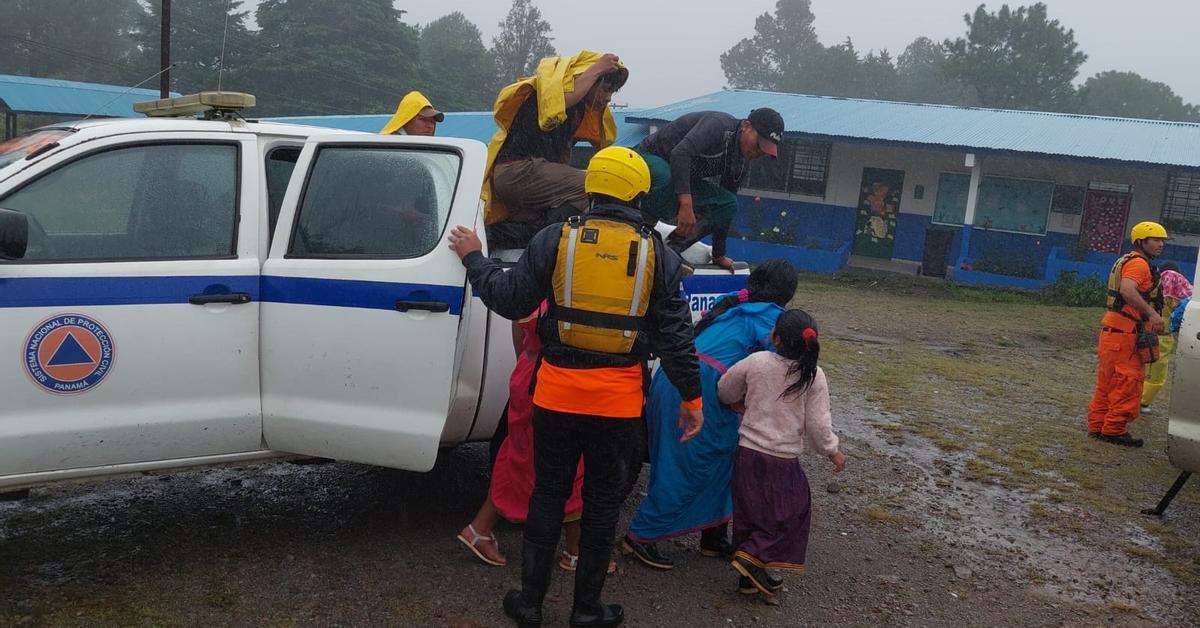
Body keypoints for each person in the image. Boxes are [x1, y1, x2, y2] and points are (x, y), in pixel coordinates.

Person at [447, 146, 703, 628]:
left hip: (556, 397)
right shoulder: (658, 254)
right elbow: (675, 336)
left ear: (591, 188)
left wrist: (474, 259)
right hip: (619, 405)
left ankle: (530, 604)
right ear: (640, 194)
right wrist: (692, 399)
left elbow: (507, 297)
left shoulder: (553, 239)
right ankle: (587, 610)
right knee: (602, 504)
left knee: (548, 495)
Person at [622, 259, 799, 570]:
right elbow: (779, 370)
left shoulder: (733, 304)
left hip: (676, 378)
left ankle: (713, 536)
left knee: (723, 461)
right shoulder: (771, 321)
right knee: (689, 467)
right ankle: (639, 536)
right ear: (788, 294)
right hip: (699, 389)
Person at [457, 302, 615, 575]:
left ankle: (480, 529)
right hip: (554, 381)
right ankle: (576, 551)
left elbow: (519, 327)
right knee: (572, 463)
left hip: (530, 372)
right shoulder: (574, 285)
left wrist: (529, 362)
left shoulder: (534, 279)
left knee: (522, 458)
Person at [716, 309, 846, 596]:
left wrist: (738, 405)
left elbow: (725, 390)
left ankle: (749, 578)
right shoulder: (813, 375)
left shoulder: (756, 362)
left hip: (747, 455)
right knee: (792, 514)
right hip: (782, 463)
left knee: (750, 514)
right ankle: (749, 557)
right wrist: (832, 450)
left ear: (775, 337)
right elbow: (818, 424)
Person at [483, 50, 628, 249]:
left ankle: (505, 239)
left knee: (556, 210)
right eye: (605, 89)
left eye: (612, 92)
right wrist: (596, 69)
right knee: (595, 186)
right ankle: (544, 242)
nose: (609, 98)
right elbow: (560, 100)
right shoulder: (547, 96)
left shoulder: (577, 111)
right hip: (518, 170)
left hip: (527, 176)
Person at [636, 108, 784, 270]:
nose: (759, 152)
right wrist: (686, 205)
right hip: (647, 160)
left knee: (727, 203)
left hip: (677, 181)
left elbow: (724, 207)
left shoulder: (739, 162)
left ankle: (670, 251)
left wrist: (718, 254)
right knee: (668, 179)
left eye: (765, 151)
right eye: (759, 144)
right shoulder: (719, 125)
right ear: (746, 126)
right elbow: (680, 154)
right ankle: (642, 226)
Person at [1087, 221, 1169, 447]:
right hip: (1126, 332)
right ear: (1141, 241)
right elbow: (1127, 290)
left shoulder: (1126, 260)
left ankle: (1098, 425)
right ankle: (1114, 430)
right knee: (1128, 381)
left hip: (1113, 330)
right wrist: (1152, 314)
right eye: (1156, 240)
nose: (1160, 245)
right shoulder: (1139, 265)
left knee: (1107, 382)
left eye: (1162, 240)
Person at [1141, 261, 1193, 409]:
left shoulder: (1153, 287)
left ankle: (1136, 399)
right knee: (1156, 372)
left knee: (1143, 368)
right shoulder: (1178, 292)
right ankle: (1141, 401)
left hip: (1146, 331)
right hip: (1161, 335)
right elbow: (1180, 314)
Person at [379, 90, 444, 136]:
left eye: (432, 122)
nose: (430, 126)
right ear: (406, 120)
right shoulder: (391, 145)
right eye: (423, 120)